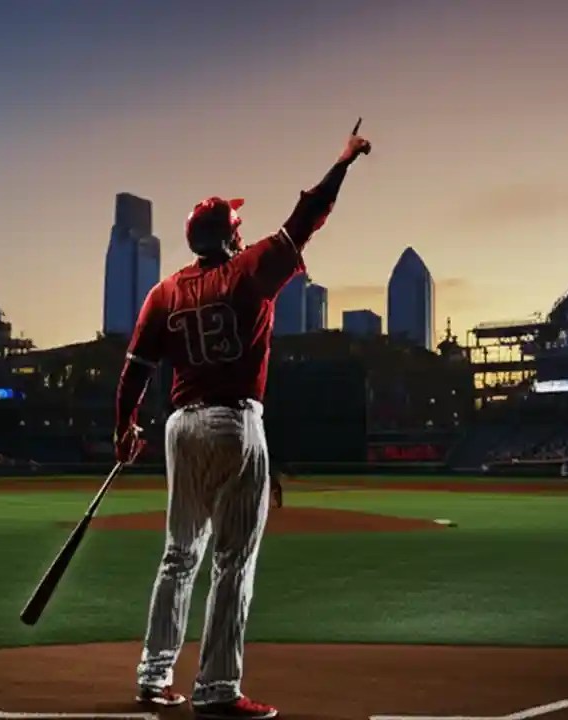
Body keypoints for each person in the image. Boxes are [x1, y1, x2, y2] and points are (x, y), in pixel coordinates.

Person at [112, 129, 372, 719]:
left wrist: (125, 425)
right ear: (230, 235)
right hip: (235, 423)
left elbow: (135, 368)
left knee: (178, 556)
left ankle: (154, 677)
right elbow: (308, 216)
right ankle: (217, 689)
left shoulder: (164, 291)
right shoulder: (250, 270)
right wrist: (342, 161)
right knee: (232, 561)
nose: (240, 228)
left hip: (180, 427)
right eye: (235, 223)